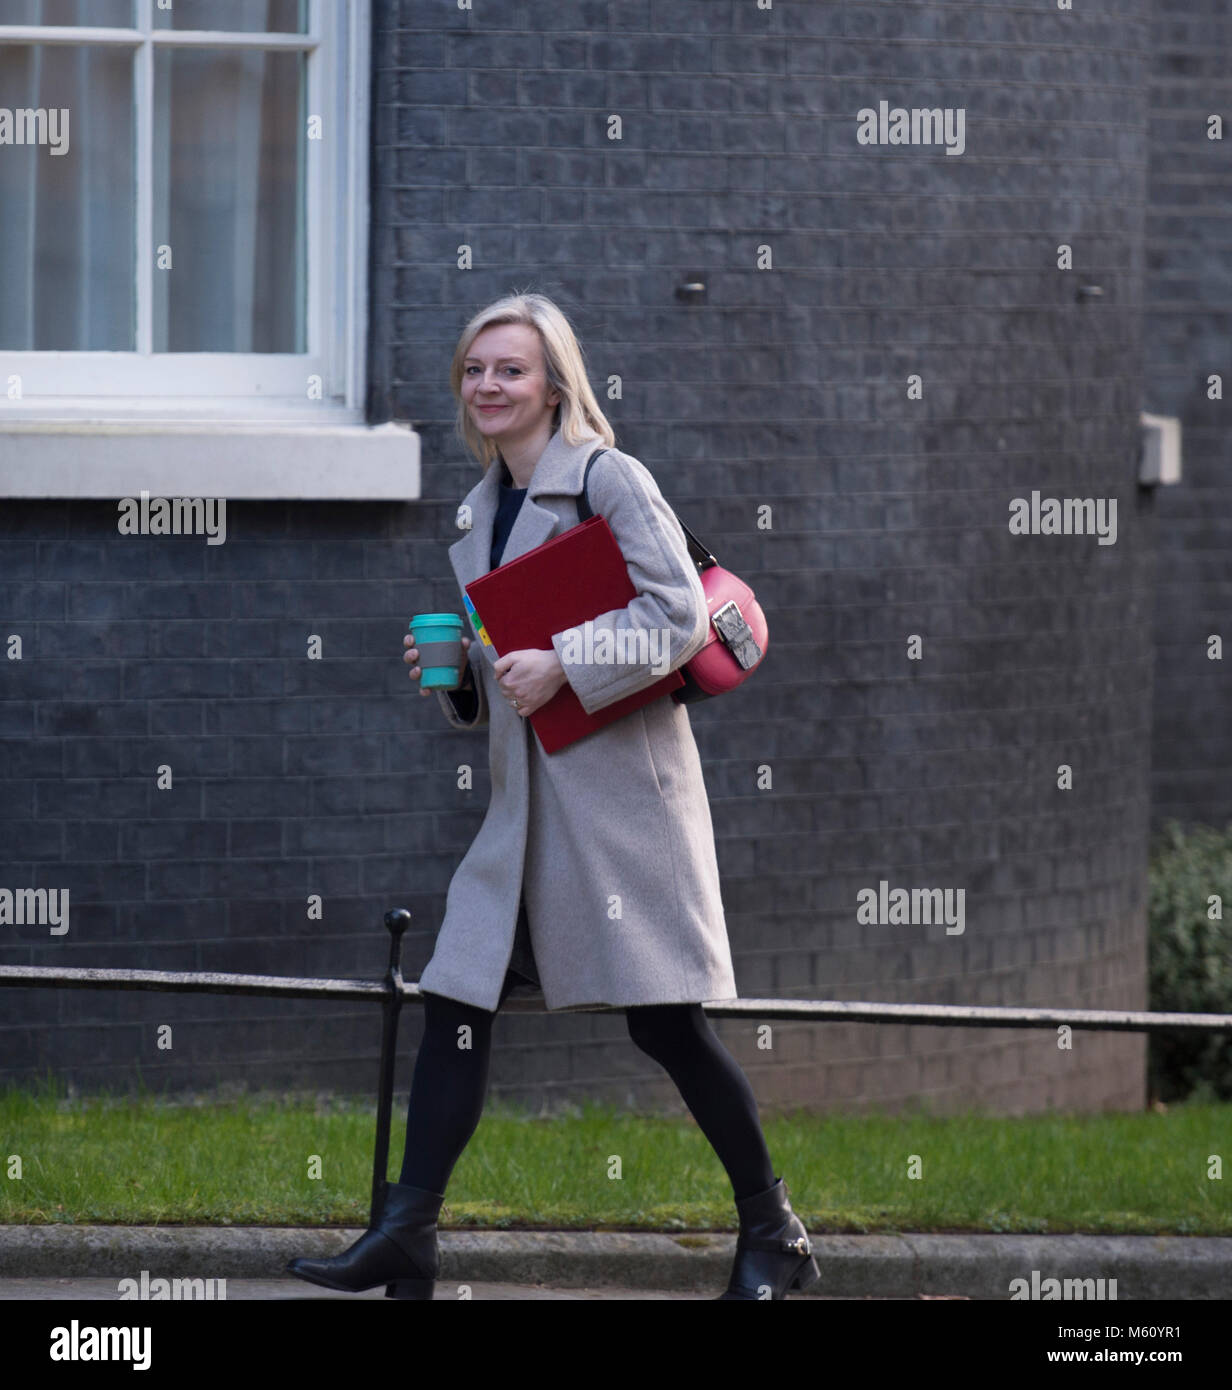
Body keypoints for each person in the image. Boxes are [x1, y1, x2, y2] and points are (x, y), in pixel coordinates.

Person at [287, 292, 818, 1301]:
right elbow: (505, 683)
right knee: (456, 996)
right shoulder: (481, 507)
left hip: (623, 814)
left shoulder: (610, 480)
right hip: (525, 813)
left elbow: (673, 616)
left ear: (554, 385)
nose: (487, 385)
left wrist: (562, 663)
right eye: (474, 369)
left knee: (664, 1025)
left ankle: (773, 1231)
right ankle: (406, 1233)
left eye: (509, 369)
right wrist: (459, 678)